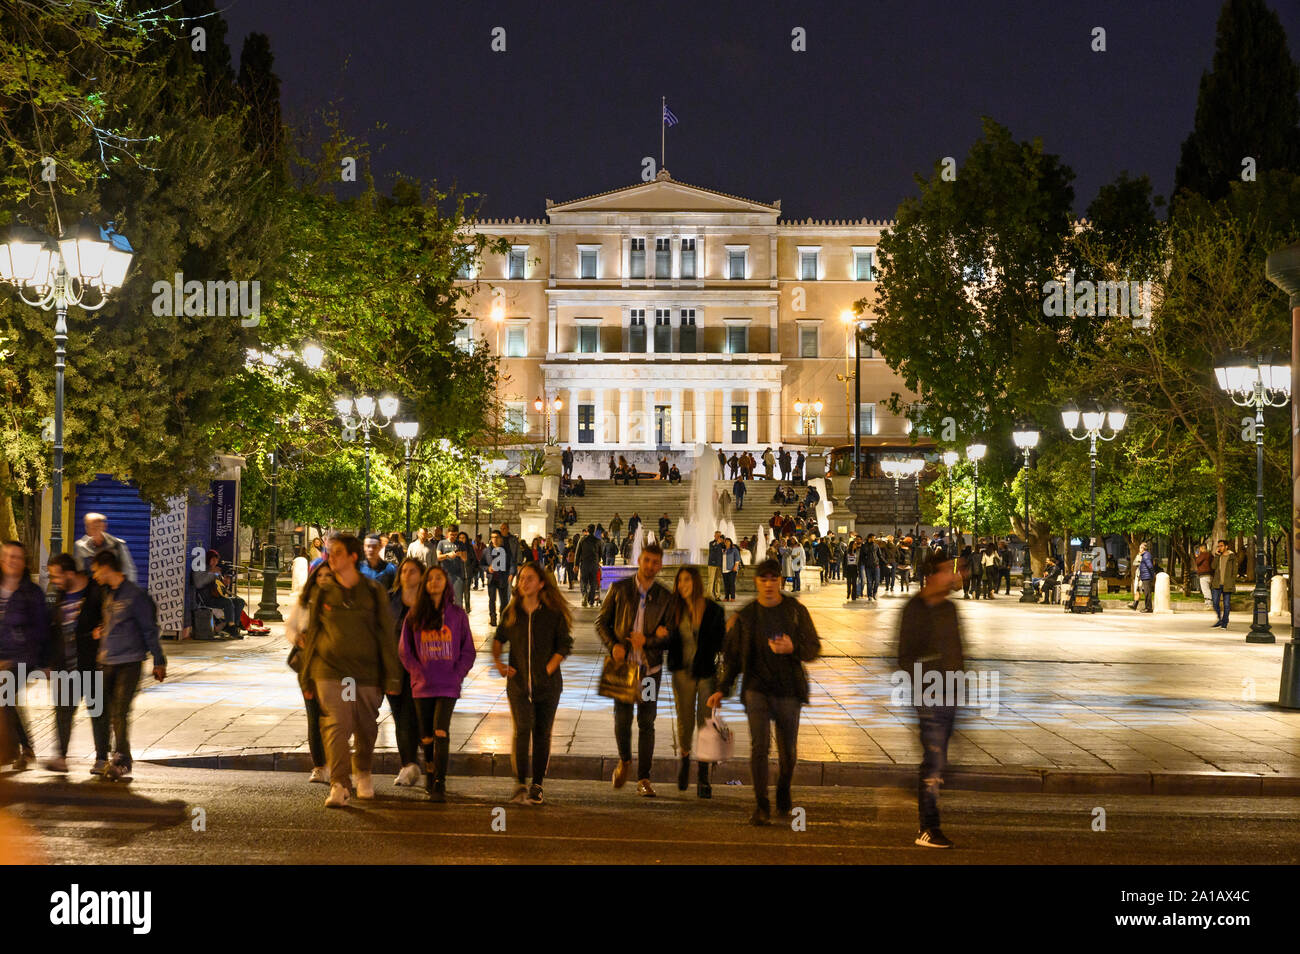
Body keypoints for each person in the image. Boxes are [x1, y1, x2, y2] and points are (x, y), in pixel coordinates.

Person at [708, 558, 821, 825]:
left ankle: (783, 791)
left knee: (788, 753)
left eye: (774, 579)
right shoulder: (747, 615)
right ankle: (761, 805)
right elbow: (733, 658)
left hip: (788, 689)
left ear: (780, 581)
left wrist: (793, 647)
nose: (769, 584)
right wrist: (721, 688)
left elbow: (814, 647)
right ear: (756, 582)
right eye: (764, 579)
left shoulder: (794, 610)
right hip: (757, 689)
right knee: (759, 747)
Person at [297, 535, 401, 808]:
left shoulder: (372, 591)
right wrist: (307, 674)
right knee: (336, 725)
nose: (331, 557)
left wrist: (391, 674)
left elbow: (385, 634)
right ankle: (340, 784)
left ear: (353, 557)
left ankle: (363, 770)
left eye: (338, 552)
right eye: (330, 552)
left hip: (366, 672)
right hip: (330, 670)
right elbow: (314, 635)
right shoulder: (323, 592)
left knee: (365, 726)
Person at [898, 550, 963, 849]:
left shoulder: (949, 609)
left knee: (939, 761)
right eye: (948, 570)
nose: (954, 575)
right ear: (932, 575)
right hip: (929, 694)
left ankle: (924, 805)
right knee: (935, 761)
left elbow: (958, 652)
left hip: (951, 693)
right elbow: (905, 656)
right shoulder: (915, 609)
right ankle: (928, 827)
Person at [493, 563, 573, 805]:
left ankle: (537, 784)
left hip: (547, 686)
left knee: (541, 732)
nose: (523, 582)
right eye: (521, 578)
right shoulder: (512, 612)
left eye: (529, 578)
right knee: (523, 727)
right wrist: (498, 662)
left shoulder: (552, 612)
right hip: (518, 684)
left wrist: (547, 669)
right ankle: (519, 782)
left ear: (540, 584)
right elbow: (498, 639)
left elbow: (564, 645)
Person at [596, 543, 672, 796]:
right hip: (624, 669)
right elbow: (601, 623)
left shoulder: (664, 596)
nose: (650, 566)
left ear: (660, 565)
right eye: (647, 560)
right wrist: (613, 645)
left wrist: (649, 641)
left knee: (647, 721)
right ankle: (625, 760)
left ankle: (644, 778)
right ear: (639, 560)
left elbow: (670, 637)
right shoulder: (620, 590)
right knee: (622, 718)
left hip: (650, 670)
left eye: (655, 562)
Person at [89, 549, 167, 781]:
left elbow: (149, 629)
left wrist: (159, 659)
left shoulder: (135, 596)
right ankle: (118, 756)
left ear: (106, 568)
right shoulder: (108, 594)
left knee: (120, 713)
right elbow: (112, 623)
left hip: (129, 663)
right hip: (107, 661)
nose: (94, 576)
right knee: (109, 713)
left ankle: (122, 760)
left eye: (96, 572)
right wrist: (101, 631)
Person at [400, 564, 475, 802]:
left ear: (446, 583)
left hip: (448, 684)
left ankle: (440, 782)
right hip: (422, 684)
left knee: (441, 730)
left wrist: (458, 673)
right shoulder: (414, 615)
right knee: (426, 736)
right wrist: (415, 671)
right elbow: (405, 650)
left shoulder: (457, 615)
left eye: (439, 578)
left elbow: (468, 650)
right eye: (430, 579)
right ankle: (430, 770)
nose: (434, 582)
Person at [43, 553, 107, 774]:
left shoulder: (95, 591)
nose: (54, 580)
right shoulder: (59, 595)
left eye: (56, 575)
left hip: (91, 663)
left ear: (70, 573)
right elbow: (54, 630)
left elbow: (109, 617)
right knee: (62, 711)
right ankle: (60, 757)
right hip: (65, 665)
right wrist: (50, 662)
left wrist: (103, 629)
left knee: (97, 712)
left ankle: (101, 758)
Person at [666, 566, 725, 798]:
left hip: (706, 672)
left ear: (696, 582)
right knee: (685, 720)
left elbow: (720, 641)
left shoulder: (713, 610)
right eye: (679, 581)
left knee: (705, 722)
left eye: (687, 580)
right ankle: (684, 758)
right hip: (682, 673)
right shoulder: (673, 609)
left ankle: (702, 775)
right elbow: (667, 639)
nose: (682, 585)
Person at [0, 541, 47, 770]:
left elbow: (40, 630)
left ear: (24, 562)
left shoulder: (31, 593)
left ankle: (22, 749)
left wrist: (40, 661)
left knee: (4, 694)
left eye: (17, 557)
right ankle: (18, 749)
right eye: (8, 556)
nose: (11, 561)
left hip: (22, 658)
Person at [387, 558, 426, 788]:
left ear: (421, 576)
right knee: (400, 716)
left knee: (418, 716)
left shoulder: (429, 603)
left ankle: (425, 760)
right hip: (395, 668)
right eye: (404, 571)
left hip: (421, 669)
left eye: (413, 571)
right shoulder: (390, 601)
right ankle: (408, 764)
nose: (407, 575)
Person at [193, 549, 246, 639]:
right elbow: (198, 583)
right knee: (227, 602)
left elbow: (220, 588)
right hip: (207, 599)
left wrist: (225, 583)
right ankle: (230, 627)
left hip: (216, 597)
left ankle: (235, 626)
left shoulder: (215, 570)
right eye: (213, 560)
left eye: (216, 560)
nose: (215, 562)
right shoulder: (201, 569)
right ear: (208, 559)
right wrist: (212, 574)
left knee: (240, 601)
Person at [74, 513, 138, 583]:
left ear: (104, 526)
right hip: (91, 589)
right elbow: (79, 573)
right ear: (87, 529)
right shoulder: (81, 547)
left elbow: (128, 570)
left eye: (97, 526)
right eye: (91, 527)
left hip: (113, 588)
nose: (94, 530)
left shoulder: (116, 544)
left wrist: (129, 590)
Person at [1210, 539, 1237, 628]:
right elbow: (1213, 567)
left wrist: (1232, 582)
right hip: (1217, 583)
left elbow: (1234, 571)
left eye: (1221, 546)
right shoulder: (1218, 556)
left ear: (1226, 546)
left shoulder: (1232, 556)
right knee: (1215, 602)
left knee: (1226, 604)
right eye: (1218, 546)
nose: (1219, 548)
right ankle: (1220, 619)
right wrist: (1216, 556)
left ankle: (1224, 622)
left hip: (1227, 584)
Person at [577, 525, 603, 608]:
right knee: (593, 583)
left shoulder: (582, 539)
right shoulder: (598, 541)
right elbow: (600, 553)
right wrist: (598, 561)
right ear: (594, 530)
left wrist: (576, 565)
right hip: (594, 564)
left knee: (583, 581)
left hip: (584, 563)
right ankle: (591, 600)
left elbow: (577, 553)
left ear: (587, 530)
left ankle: (584, 595)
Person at [1130, 541, 1155, 613]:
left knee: (1147, 593)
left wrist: (1152, 574)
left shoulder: (1146, 555)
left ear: (1142, 548)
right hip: (1144, 576)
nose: (1139, 549)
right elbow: (1135, 563)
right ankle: (1145, 606)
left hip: (1147, 576)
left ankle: (1148, 608)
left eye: (1140, 548)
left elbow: (1149, 566)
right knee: (1145, 592)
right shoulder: (1143, 555)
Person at [706, 531, 725, 601]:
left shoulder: (722, 544)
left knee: (718, 580)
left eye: (720, 536)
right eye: (717, 536)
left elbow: (728, 546)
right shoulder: (712, 543)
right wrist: (717, 543)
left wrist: (723, 541)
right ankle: (709, 595)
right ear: (714, 536)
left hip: (719, 564)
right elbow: (712, 549)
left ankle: (717, 595)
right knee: (711, 580)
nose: (719, 537)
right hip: (712, 564)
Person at [1194, 543, 1214, 609]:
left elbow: (1197, 562)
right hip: (1210, 574)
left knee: (1205, 589)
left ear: (1202, 548)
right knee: (1208, 589)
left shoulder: (1203, 555)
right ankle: (1208, 603)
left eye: (1199, 549)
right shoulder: (1210, 555)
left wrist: (1197, 556)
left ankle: (1209, 604)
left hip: (1204, 574)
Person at [722, 537, 741, 601]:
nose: (727, 542)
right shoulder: (723, 550)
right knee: (726, 584)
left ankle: (733, 597)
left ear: (730, 542)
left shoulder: (734, 549)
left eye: (728, 541)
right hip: (724, 569)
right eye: (725, 541)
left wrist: (735, 566)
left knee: (731, 583)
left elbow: (737, 558)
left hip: (732, 569)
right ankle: (726, 597)